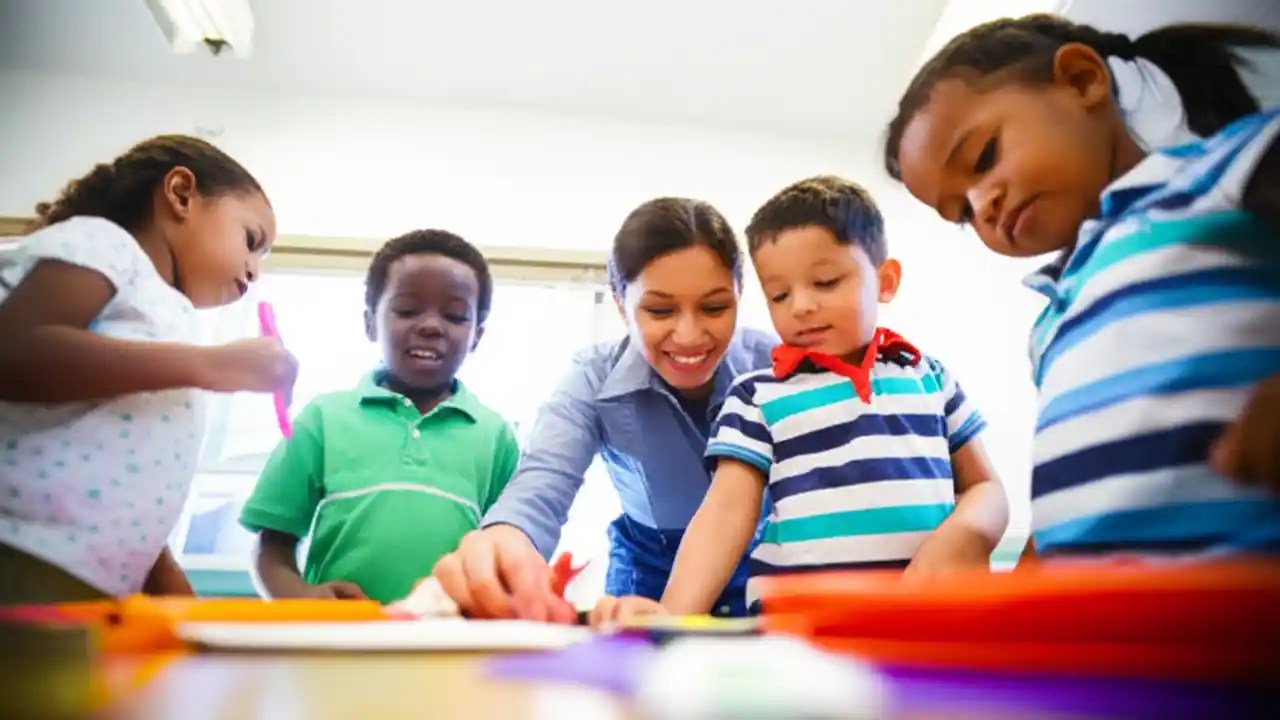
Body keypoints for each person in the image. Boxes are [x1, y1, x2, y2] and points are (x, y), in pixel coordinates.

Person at [885, 14, 1280, 558]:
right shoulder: (1053, 319)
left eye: (983, 157)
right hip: (1104, 602)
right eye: (962, 214)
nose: (982, 206)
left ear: (1081, 80)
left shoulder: (1227, 170)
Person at [593, 176, 1008, 623]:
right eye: (780, 294)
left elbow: (984, 486)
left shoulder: (928, 378)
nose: (801, 306)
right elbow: (724, 516)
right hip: (802, 627)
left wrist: (967, 534)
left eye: (826, 282)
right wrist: (673, 615)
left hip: (928, 620)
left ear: (885, 281)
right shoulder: (757, 397)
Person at [431, 198, 776, 622]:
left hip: (762, 562)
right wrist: (506, 540)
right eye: (660, 310)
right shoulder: (593, 378)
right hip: (646, 569)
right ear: (620, 304)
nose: (689, 335)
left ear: (739, 296)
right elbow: (543, 481)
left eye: (715, 307)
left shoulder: (774, 366)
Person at [0, 135, 294, 604]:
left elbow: (125, 490)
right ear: (181, 193)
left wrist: (183, 608)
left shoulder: (161, 319)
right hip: (22, 556)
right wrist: (212, 365)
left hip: (88, 583)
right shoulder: (106, 243)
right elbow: (14, 351)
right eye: (252, 240)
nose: (255, 271)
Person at [240, 230, 520, 605]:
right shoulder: (322, 420)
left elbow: (507, 554)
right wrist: (300, 597)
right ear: (370, 322)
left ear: (477, 336)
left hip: (453, 636)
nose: (431, 326)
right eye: (407, 310)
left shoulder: (496, 436)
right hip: (340, 635)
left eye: (454, 316)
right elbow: (271, 546)